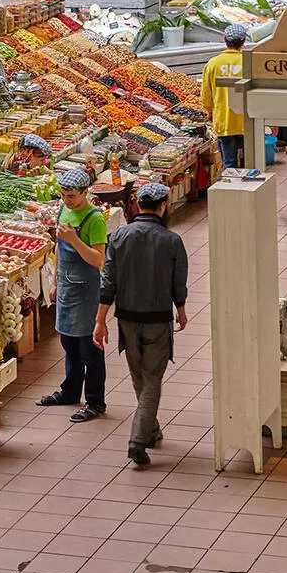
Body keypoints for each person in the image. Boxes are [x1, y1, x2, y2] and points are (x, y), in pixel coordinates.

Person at [95, 182, 189, 468]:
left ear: (137, 205)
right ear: (162, 206)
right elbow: (178, 282)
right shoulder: (172, 241)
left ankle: (152, 428)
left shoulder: (119, 236)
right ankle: (137, 440)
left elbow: (108, 282)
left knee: (139, 376)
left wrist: (100, 320)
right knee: (152, 381)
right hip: (157, 319)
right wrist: (181, 310)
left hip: (126, 318)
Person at [37, 169, 108, 423]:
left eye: (72, 196)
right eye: (63, 195)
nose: (67, 200)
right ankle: (69, 392)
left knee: (90, 348)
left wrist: (75, 240)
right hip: (66, 287)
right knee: (69, 345)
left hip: (86, 291)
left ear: (85, 192)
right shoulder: (63, 209)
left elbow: (98, 260)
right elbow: (59, 248)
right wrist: (55, 281)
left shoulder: (95, 219)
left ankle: (95, 401)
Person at [202, 24, 247, 169]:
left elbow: (206, 94)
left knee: (229, 163)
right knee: (251, 161)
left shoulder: (213, 64)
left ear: (224, 39)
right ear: (243, 41)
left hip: (224, 120)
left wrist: (209, 112)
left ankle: (232, 187)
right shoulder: (248, 62)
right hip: (246, 120)